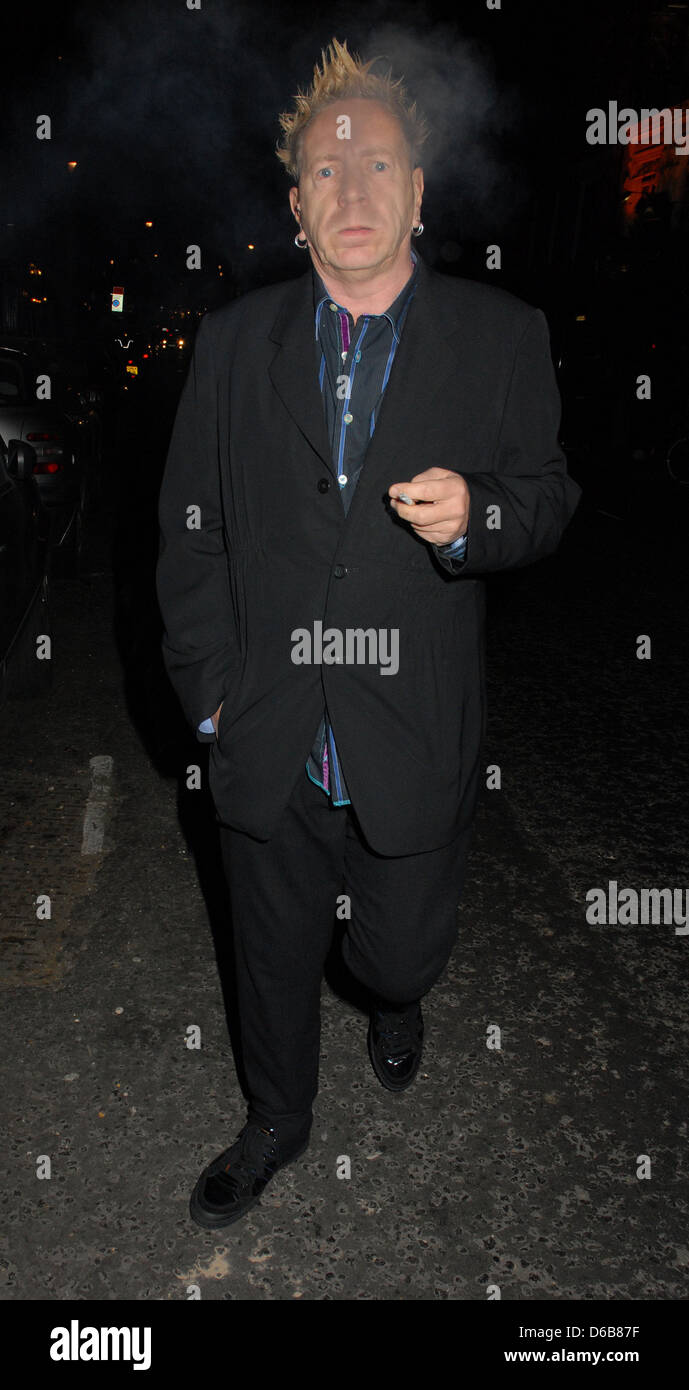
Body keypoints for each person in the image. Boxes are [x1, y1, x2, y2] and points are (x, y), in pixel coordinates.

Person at [156, 37, 581, 1230]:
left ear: (417, 190)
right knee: (272, 959)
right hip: (266, 726)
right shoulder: (231, 347)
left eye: (377, 162)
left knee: (390, 956)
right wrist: (211, 698)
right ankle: (276, 1119)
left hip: (410, 732)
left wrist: (480, 518)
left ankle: (396, 1003)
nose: (352, 190)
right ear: (296, 206)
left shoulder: (500, 334)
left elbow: (547, 494)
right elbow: (188, 537)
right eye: (324, 172)